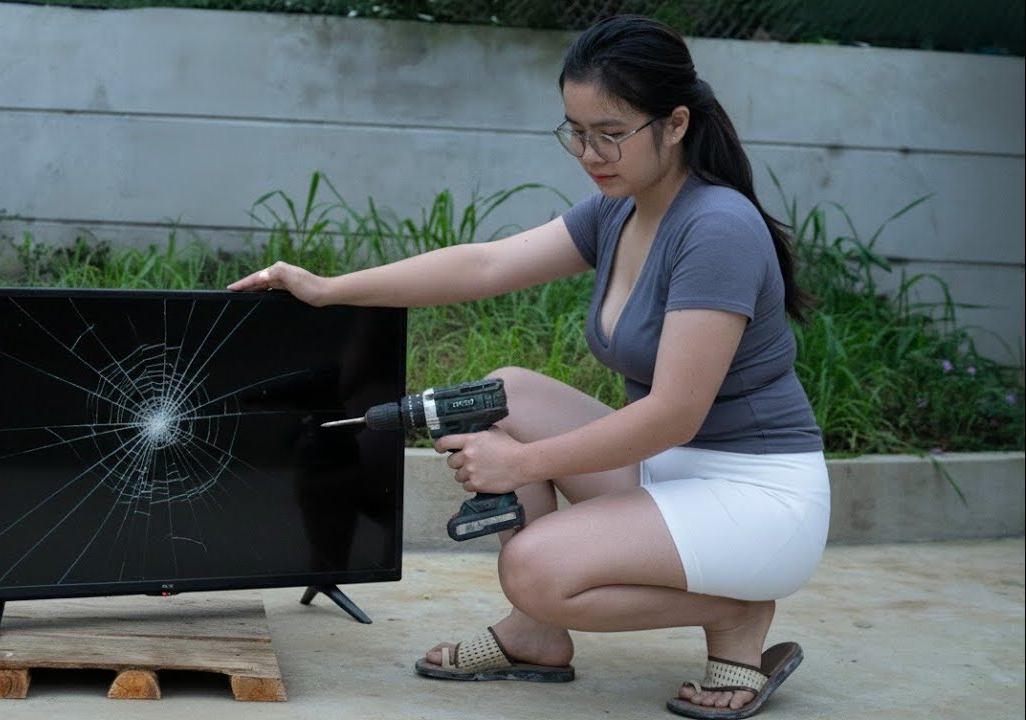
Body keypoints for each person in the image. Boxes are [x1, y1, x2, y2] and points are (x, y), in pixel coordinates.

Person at [229, 14, 829, 719]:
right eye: (576, 131)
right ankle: (536, 636)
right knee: (504, 393)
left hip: (756, 497)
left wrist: (520, 464)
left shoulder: (717, 229)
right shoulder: (620, 211)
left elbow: (674, 413)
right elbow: (486, 265)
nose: (589, 153)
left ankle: (736, 611)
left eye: (610, 133)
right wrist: (329, 290)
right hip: (678, 470)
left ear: (675, 124)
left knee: (533, 570)